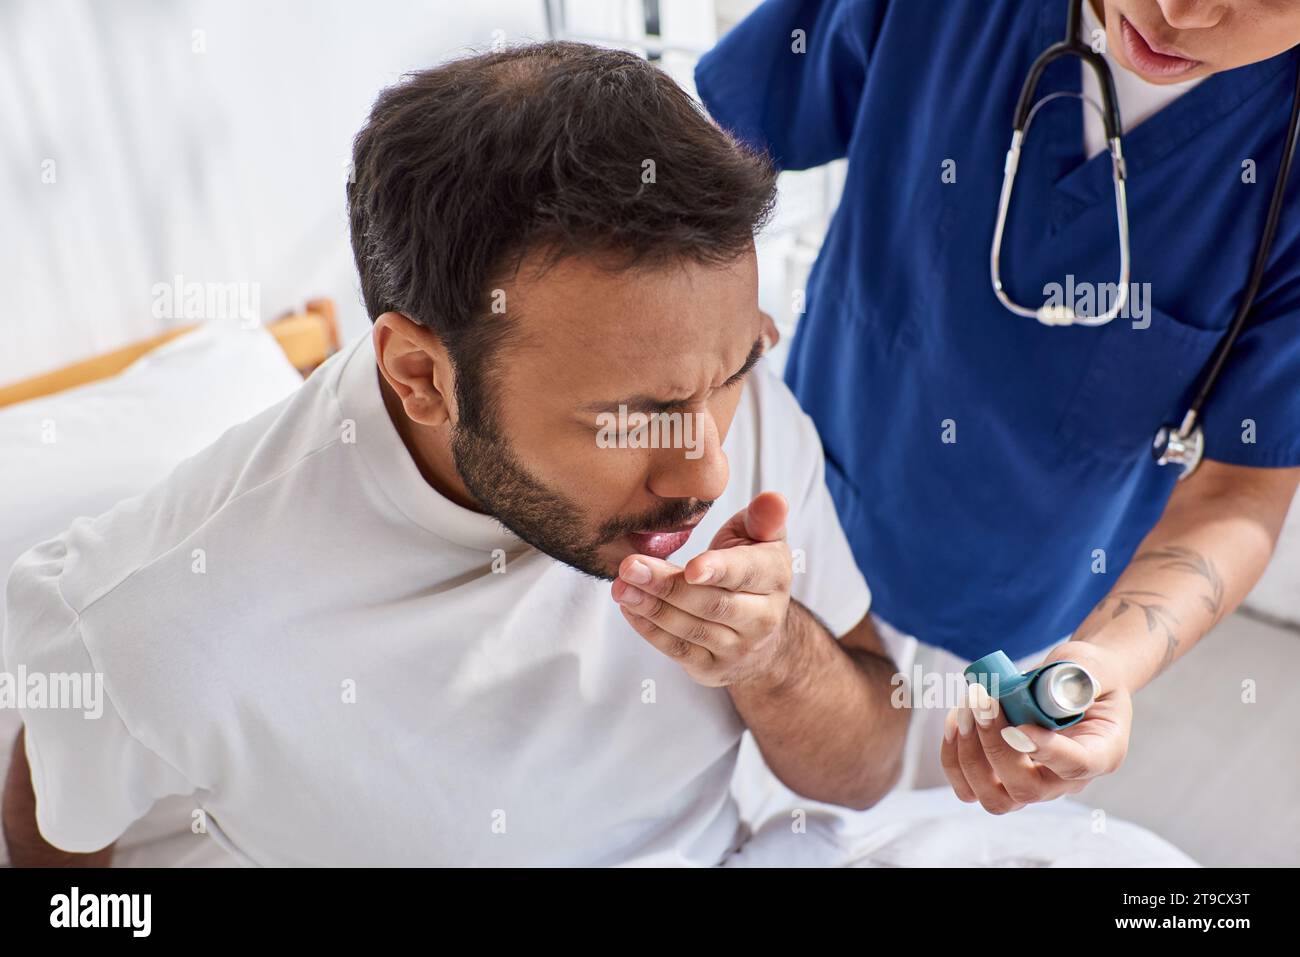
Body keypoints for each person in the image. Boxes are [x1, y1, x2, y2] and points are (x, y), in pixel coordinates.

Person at [1, 42, 907, 867]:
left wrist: (774, 654)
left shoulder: (708, 383)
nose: (707, 472)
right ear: (421, 374)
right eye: (631, 418)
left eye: (737, 369)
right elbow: (53, 829)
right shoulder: (161, 617)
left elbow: (869, 767)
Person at [696, 0, 1300, 810]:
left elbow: (1243, 487)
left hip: (1022, 637)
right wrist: (699, 315)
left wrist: (1104, 665)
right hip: (787, 531)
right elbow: (715, 142)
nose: (1182, 9)